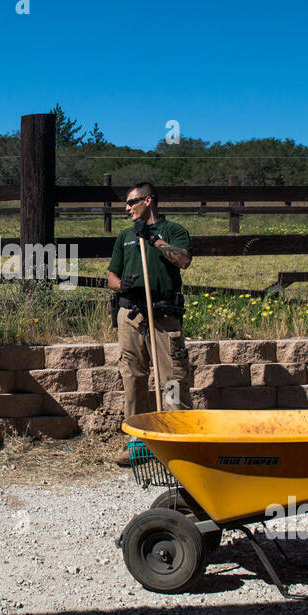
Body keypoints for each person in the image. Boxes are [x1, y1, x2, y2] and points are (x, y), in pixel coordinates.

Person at [106, 181, 194, 465]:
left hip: (164, 316)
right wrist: (123, 286)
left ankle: (178, 442)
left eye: (132, 202)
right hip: (131, 315)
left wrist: (153, 239)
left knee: (173, 380)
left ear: (149, 200)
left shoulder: (173, 231)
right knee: (132, 377)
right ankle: (138, 443)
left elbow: (183, 260)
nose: (127, 208)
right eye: (127, 204)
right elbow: (111, 277)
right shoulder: (125, 237)